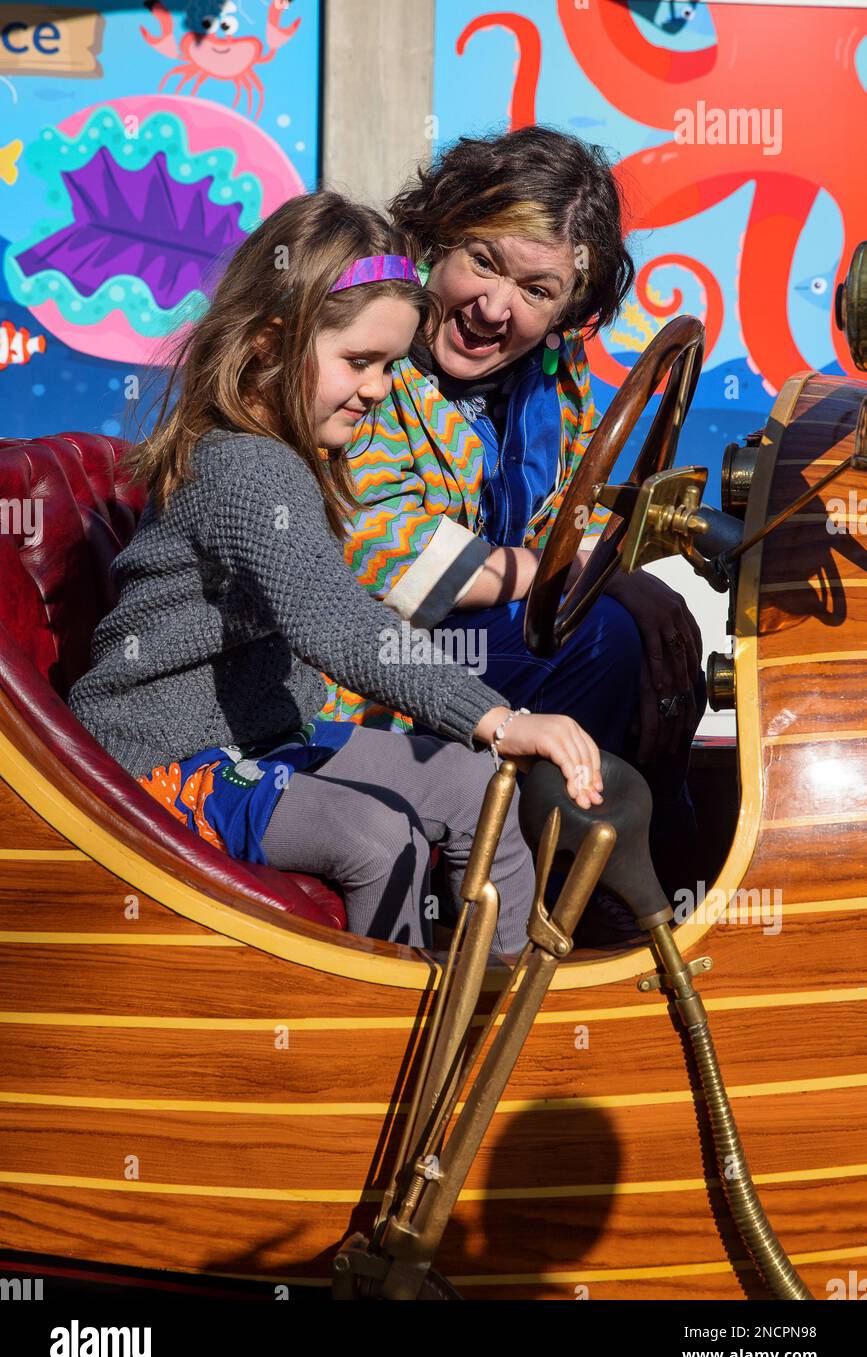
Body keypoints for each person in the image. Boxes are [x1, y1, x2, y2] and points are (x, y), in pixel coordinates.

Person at [68, 190, 605, 958]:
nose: (379, 389)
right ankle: (384, 1048)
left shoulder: (296, 454)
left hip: (263, 733)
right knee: (375, 836)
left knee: (475, 787)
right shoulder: (245, 467)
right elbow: (337, 621)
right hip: (163, 758)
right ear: (268, 343)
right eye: (360, 362)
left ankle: (500, 1003)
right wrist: (500, 719)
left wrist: (491, 740)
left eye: (390, 365)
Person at [322, 126, 706, 901]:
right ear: (436, 237)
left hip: (472, 638)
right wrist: (590, 582)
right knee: (603, 639)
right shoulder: (369, 355)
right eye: (483, 261)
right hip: (356, 666)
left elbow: (567, 509)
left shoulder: (547, 376)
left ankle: (655, 867)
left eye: (537, 291)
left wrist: (617, 573)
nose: (494, 309)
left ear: (569, 305)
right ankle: (562, 884)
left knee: (667, 653)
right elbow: (387, 557)